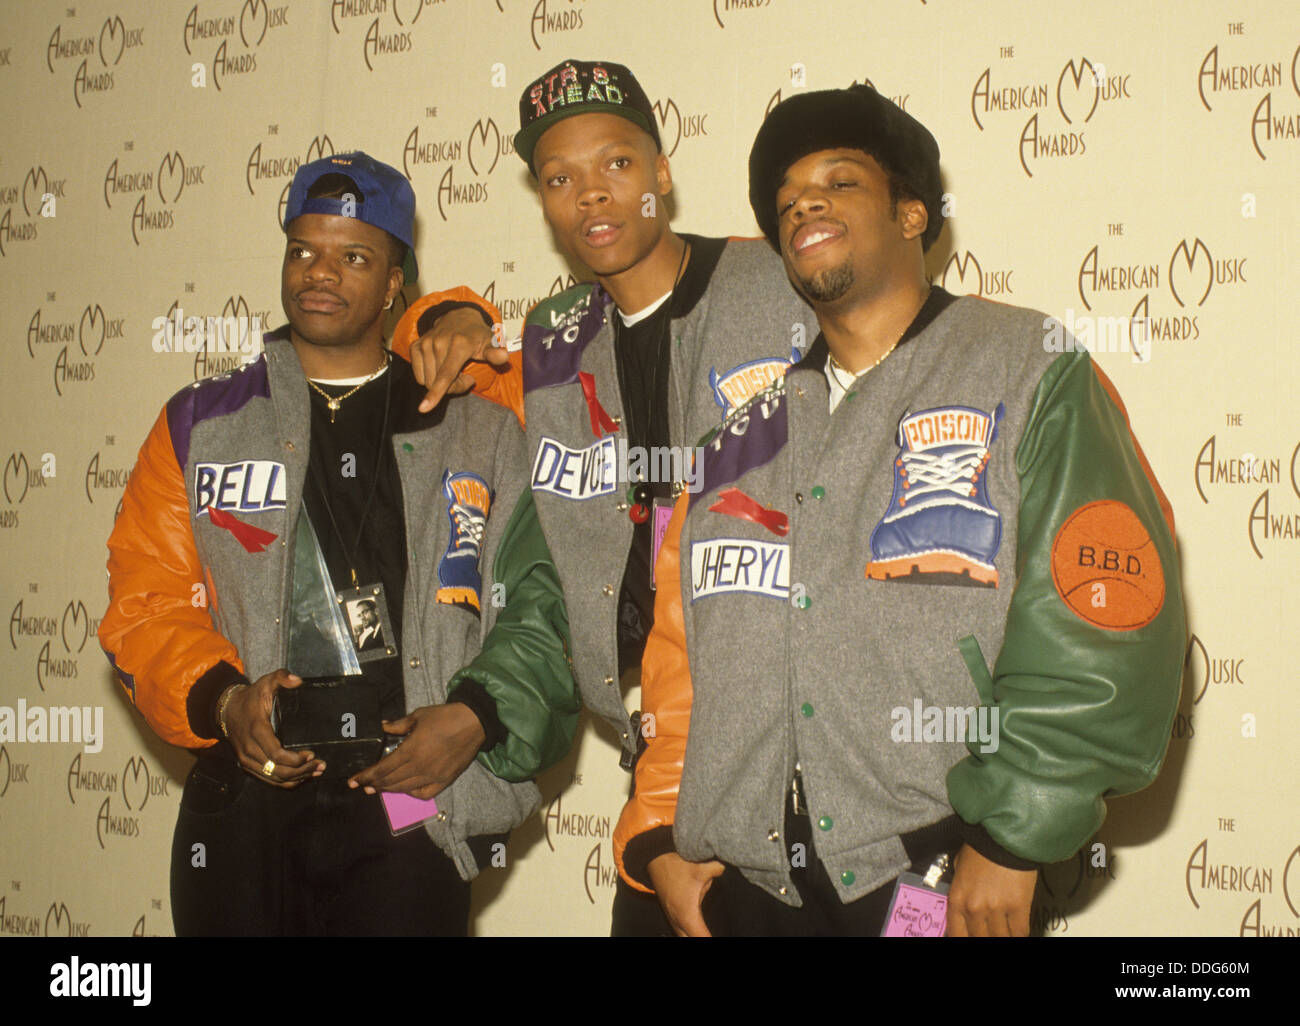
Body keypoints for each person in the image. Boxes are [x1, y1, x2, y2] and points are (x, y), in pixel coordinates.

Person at [612, 85, 1187, 936]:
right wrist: (659, 826)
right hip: (738, 889)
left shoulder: (1028, 366)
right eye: (787, 198)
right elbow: (678, 655)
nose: (805, 201)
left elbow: (1104, 605)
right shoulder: (733, 440)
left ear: (913, 213)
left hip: (930, 876)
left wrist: (1017, 833)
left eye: (839, 181)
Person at [98, 151, 578, 936]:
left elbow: (542, 602)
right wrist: (224, 700)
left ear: (396, 283)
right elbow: (143, 606)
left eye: (354, 256)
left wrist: (476, 713)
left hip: (407, 799)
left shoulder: (476, 424)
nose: (320, 274)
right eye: (304, 250)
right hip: (244, 800)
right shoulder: (199, 423)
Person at [389, 59, 819, 935]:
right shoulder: (555, 336)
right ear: (543, 203)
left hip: (796, 723)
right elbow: (452, 358)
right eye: (560, 178)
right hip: (658, 736)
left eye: (617, 164)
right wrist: (444, 317)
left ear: (663, 172)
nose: (593, 195)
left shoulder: (778, 283)